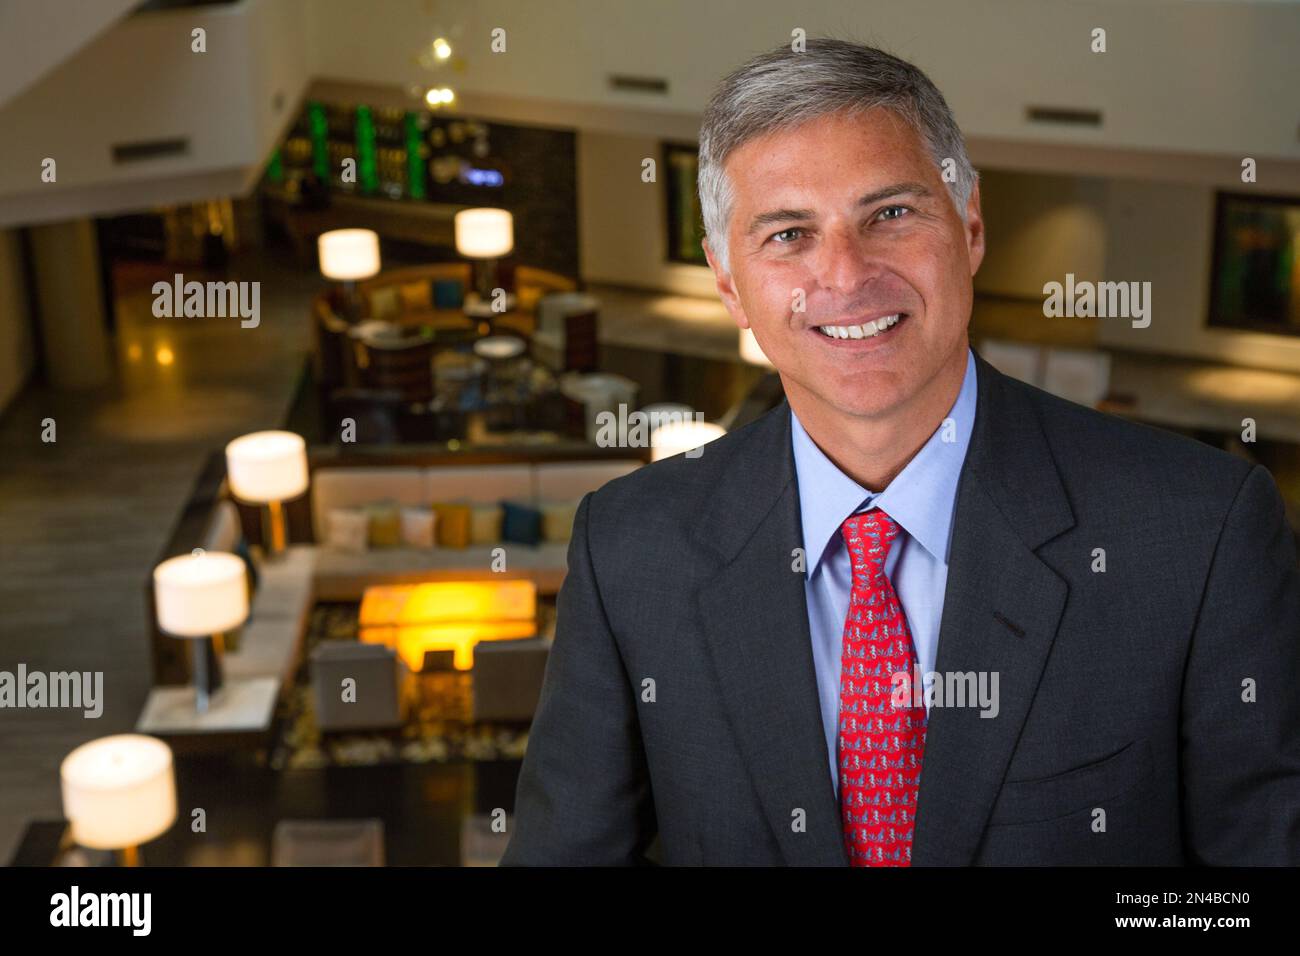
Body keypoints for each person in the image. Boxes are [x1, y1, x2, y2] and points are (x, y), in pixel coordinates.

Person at [501, 38, 1300, 866]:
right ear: (730, 283)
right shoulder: (631, 549)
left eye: (890, 213)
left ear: (972, 225)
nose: (845, 276)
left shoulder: (1198, 532)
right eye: (787, 234)